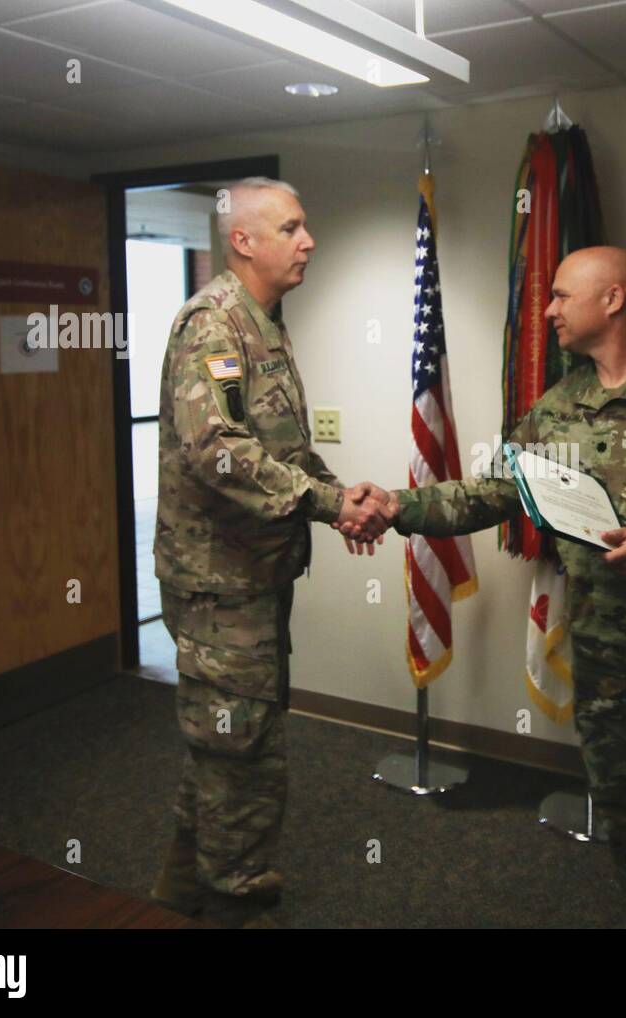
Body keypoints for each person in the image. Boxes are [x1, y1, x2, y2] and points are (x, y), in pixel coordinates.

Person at [340, 246, 626, 928]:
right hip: (605, 649)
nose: (545, 310)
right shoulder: (555, 409)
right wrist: (399, 505)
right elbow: (493, 491)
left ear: (613, 300)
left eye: (558, 296)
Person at [150, 176, 392, 928]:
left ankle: (181, 893)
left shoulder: (264, 321)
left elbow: (279, 446)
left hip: (251, 576)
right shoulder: (213, 325)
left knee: (224, 739)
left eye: (305, 225)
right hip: (218, 584)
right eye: (290, 227)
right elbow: (217, 452)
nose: (308, 239)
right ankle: (235, 899)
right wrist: (326, 504)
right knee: (243, 751)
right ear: (244, 240)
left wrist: (339, 495)